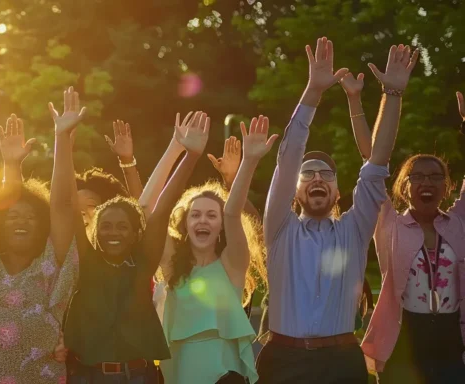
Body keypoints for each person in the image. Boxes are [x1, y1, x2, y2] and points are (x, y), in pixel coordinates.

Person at [255, 38, 415, 383]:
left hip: (342, 363)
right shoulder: (280, 227)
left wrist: (393, 95)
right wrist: (313, 91)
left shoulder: (353, 230)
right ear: (295, 190)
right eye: (308, 174)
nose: (317, 178)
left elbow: (377, 163)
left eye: (326, 175)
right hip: (284, 363)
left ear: (337, 189)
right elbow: (289, 153)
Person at [61, 111, 210, 383]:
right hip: (88, 376)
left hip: (138, 376)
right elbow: (70, 205)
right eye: (106, 226)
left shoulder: (144, 262)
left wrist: (191, 156)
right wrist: (64, 147)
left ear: (135, 234)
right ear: (95, 229)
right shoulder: (85, 259)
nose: (113, 233)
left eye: (122, 227)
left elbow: (163, 206)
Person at [0, 85, 82, 383]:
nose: (21, 222)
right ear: (0, 224)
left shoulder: (53, 268)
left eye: (31, 217)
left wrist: (62, 137)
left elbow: (63, 204)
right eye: (13, 215)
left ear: (43, 226)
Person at [158, 116, 274, 383]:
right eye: (195, 215)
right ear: (184, 224)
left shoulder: (232, 264)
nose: (202, 220)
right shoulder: (171, 264)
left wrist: (250, 162)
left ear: (221, 226)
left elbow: (233, 213)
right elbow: (155, 210)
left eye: (211, 215)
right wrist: (181, 152)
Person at [360, 92, 465, 383]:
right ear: (404, 188)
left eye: (435, 177)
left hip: (452, 341)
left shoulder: (458, 222)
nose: (427, 182)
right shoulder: (390, 225)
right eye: (417, 177)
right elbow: (371, 165)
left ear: (447, 188)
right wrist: (360, 102)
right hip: (404, 339)